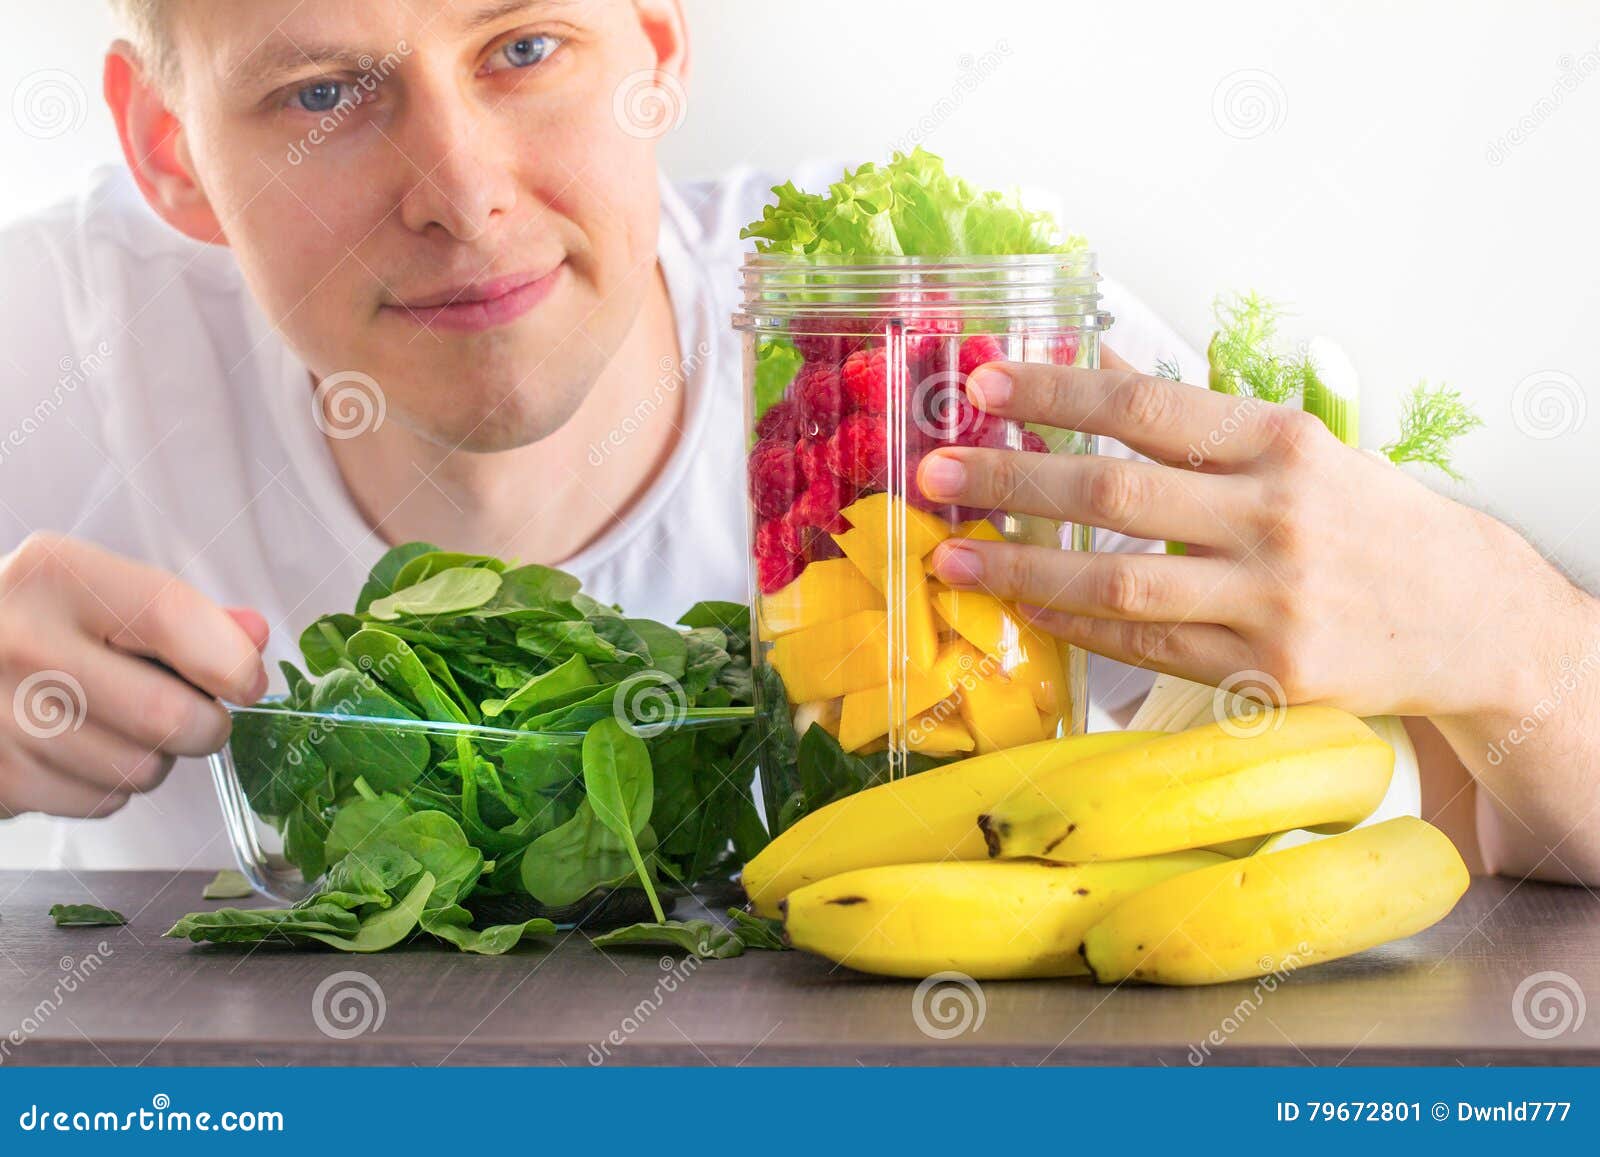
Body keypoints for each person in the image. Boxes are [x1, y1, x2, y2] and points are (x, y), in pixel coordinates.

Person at [0, 0, 1594, 883]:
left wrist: (1517, 643)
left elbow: (1481, 837)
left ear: (656, 47)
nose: (464, 192)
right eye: (324, 95)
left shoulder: (934, 342)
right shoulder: (51, 343)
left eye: (524, 48)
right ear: (169, 149)